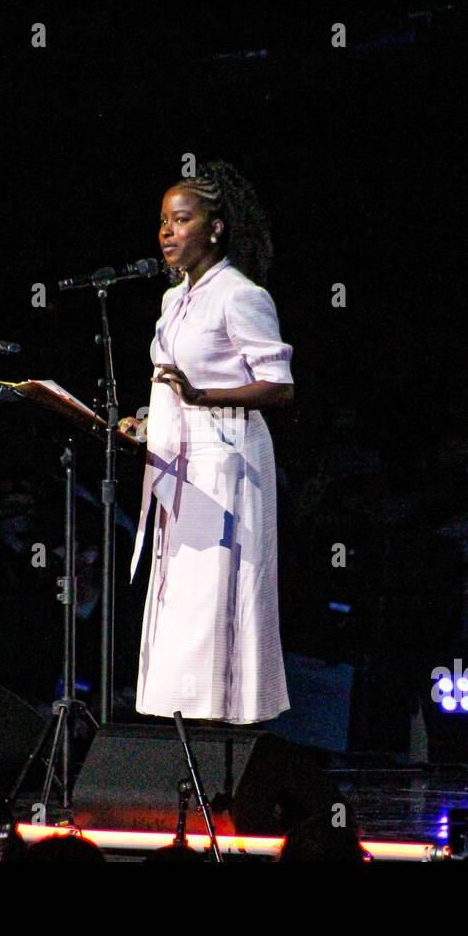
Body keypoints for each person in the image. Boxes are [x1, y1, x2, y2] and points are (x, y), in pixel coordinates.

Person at [119, 161, 294, 724]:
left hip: (228, 463)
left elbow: (280, 388)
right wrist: (146, 423)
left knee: (215, 602)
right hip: (180, 464)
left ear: (215, 228)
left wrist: (205, 397)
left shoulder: (240, 295)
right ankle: (182, 734)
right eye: (163, 221)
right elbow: (171, 384)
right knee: (181, 603)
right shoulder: (175, 301)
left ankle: (225, 734)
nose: (167, 232)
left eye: (181, 219)